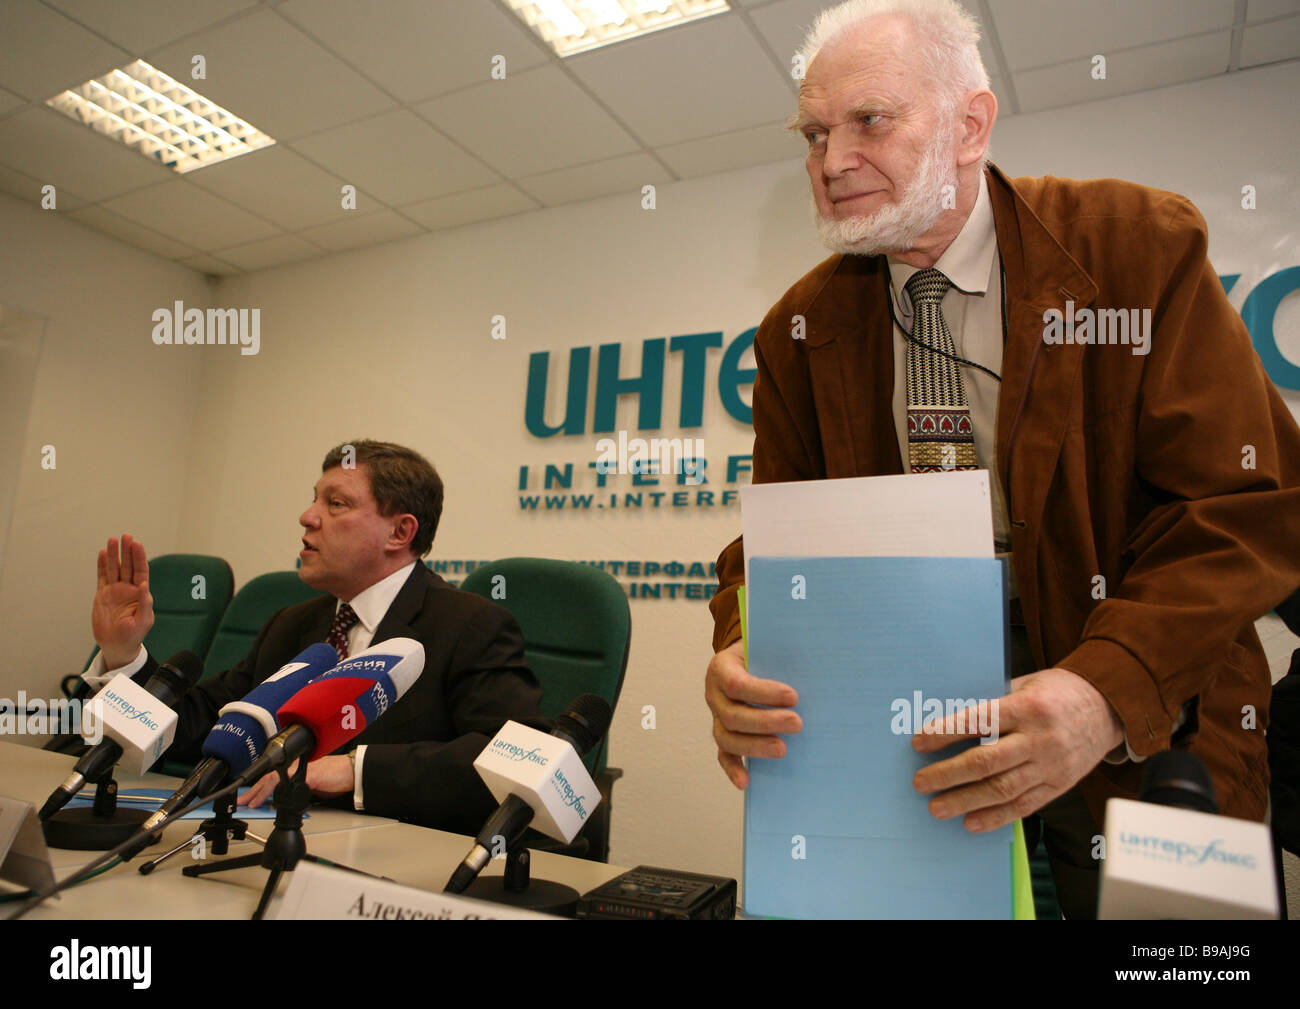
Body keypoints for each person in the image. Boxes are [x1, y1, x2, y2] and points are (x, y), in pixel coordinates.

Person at [704, 0, 1300, 918]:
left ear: (970, 124)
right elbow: (778, 541)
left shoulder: (1139, 248)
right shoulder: (802, 327)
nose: (830, 161)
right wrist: (742, 640)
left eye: (870, 120)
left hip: (1164, 719)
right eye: (815, 132)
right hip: (926, 749)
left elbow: (1241, 506)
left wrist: (1102, 694)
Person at [87, 440, 549, 834]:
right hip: (270, 838)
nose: (308, 517)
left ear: (400, 531)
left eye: (336, 504)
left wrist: (351, 769)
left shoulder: (468, 624)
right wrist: (122, 653)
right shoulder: (294, 624)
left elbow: (513, 753)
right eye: (315, 500)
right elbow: (202, 725)